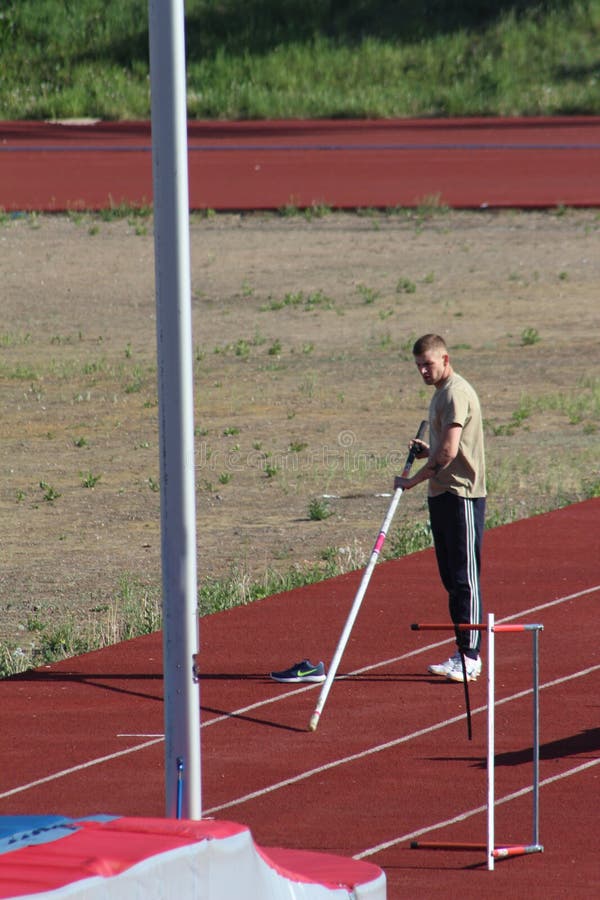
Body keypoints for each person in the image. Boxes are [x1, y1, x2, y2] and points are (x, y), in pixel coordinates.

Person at [394, 334, 486, 683]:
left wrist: (411, 482)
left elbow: (448, 454)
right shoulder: (440, 395)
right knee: (451, 578)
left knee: (465, 579)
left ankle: (471, 656)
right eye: (418, 365)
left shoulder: (456, 392)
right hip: (442, 494)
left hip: (461, 494)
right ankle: (461, 651)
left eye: (427, 364)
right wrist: (425, 451)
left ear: (445, 359)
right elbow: (443, 448)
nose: (422, 370)